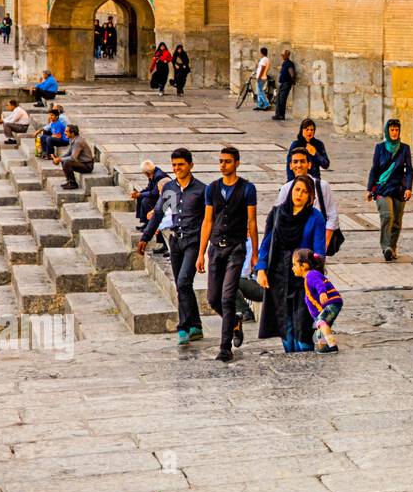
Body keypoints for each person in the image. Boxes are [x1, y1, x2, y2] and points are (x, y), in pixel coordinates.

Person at [138, 148, 209, 346]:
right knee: (181, 285)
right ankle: (196, 325)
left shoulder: (202, 190)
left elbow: (209, 220)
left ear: (191, 166)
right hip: (175, 242)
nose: (177, 169)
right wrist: (146, 237)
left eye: (181, 165)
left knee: (185, 281)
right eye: (175, 165)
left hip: (193, 241)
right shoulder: (170, 187)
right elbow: (159, 213)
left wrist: (204, 250)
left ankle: (184, 326)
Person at [196, 147, 259, 363]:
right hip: (216, 247)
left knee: (227, 296)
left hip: (236, 247)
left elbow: (252, 221)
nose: (223, 165)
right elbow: (207, 220)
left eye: (228, 161)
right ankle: (234, 322)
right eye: (221, 161)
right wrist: (201, 253)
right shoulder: (212, 188)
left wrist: (255, 254)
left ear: (237, 163)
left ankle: (225, 348)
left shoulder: (247, 189)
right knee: (213, 298)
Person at [257, 174, 326, 352]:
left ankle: (304, 363)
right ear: (291, 191)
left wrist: (314, 273)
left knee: (302, 325)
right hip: (278, 276)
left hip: (304, 279)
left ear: (311, 196)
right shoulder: (277, 213)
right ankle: (291, 363)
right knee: (285, 324)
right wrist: (261, 269)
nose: (299, 194)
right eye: (297, 190)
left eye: (305, 192)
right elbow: (266, 243)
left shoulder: (315, 217)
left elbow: (319, 251)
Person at [365, 119, 412, 261]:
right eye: (391, 130)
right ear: (387, 131)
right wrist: (369, 188)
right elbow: (375, 169)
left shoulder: (404, 148)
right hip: (382, 188)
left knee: (397, 221)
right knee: (387, 216)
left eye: (396, 130)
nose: (394, 132)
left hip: (399, 188)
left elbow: (409, 169)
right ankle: (386, 247)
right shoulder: (380, 148)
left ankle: (392, 247)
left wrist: (409, 188)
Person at [275, 149, 338, 252]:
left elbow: (332, 216)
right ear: (290, 166)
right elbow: (278, 219)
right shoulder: (285, 189)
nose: (299, 165)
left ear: (309, 164)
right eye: (295, 162)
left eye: (302, 161)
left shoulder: (322, 186)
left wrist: (323, 245)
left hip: (316, 241)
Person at [294, 248, 343, 353]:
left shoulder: (312, 275)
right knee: (318, 328)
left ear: (304, 265)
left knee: (321, 322)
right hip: (328, 306)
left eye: (294, 265)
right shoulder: (308, 278)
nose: (293, 268)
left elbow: (319, 284)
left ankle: (332, 345)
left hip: (332, 303)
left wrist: (322, 292)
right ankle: (323, 347)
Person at [52, 124, 93, 190]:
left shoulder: (78, 142)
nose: (64, 133)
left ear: (72, 133)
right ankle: (69, 181)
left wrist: (60, 159)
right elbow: (69, 153)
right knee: (64, 160)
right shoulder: (72, 139)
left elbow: (73, 157)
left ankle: (73, 183)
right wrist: (59, 158)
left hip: (87, 166)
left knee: (67, 162)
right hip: (81, 162)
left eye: (66, 132)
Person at [131, 159, 169, 228]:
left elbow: (154, 193)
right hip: (158, 196)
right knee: (141, 197)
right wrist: (139, 193)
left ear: (147, 173)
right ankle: (146, 222)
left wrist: (140, 194)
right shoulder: (153, 173)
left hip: (164, 198)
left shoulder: (158, 176)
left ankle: (149, 224)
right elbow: (149, 188)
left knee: (146, 201)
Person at [272, 50, 296, 121]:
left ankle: (281, 115)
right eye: (281, 55)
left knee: (282, 99)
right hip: (282, 83)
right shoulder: (284, 63)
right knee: (279, 99)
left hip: (286, 83)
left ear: (287, 55)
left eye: (283, 55)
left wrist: (292, 81)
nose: (282, 56)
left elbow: (292, 74)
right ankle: (278, 114)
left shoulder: (289, 64)